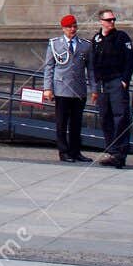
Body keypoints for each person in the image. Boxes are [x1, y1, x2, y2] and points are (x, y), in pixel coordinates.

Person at [41, 14, 93, 163]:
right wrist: (47, 88)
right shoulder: (55, 44)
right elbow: (49, 67)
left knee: (76, 123)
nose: (72, 29)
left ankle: (75, 151)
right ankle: (63, 152)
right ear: (63, 28)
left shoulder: (85, 45)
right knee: (62, 123)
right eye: (69, 27)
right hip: (61, 88)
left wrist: (94, 89)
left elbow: (91, 69)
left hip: (79, 89)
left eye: (74, 26)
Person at [89, 9, 133, 168]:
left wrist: (124, 80)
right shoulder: (96, 39)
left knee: (120, 116)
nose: (112, 22)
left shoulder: (121, 37)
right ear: (101, 21)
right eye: (109, 20)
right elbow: (93, 63)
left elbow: (130, 61)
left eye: (113, 19)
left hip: (116, 80)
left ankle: (120, 154)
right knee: (105, 117)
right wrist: (95, 84)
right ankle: (111, 151)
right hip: (103, 83)